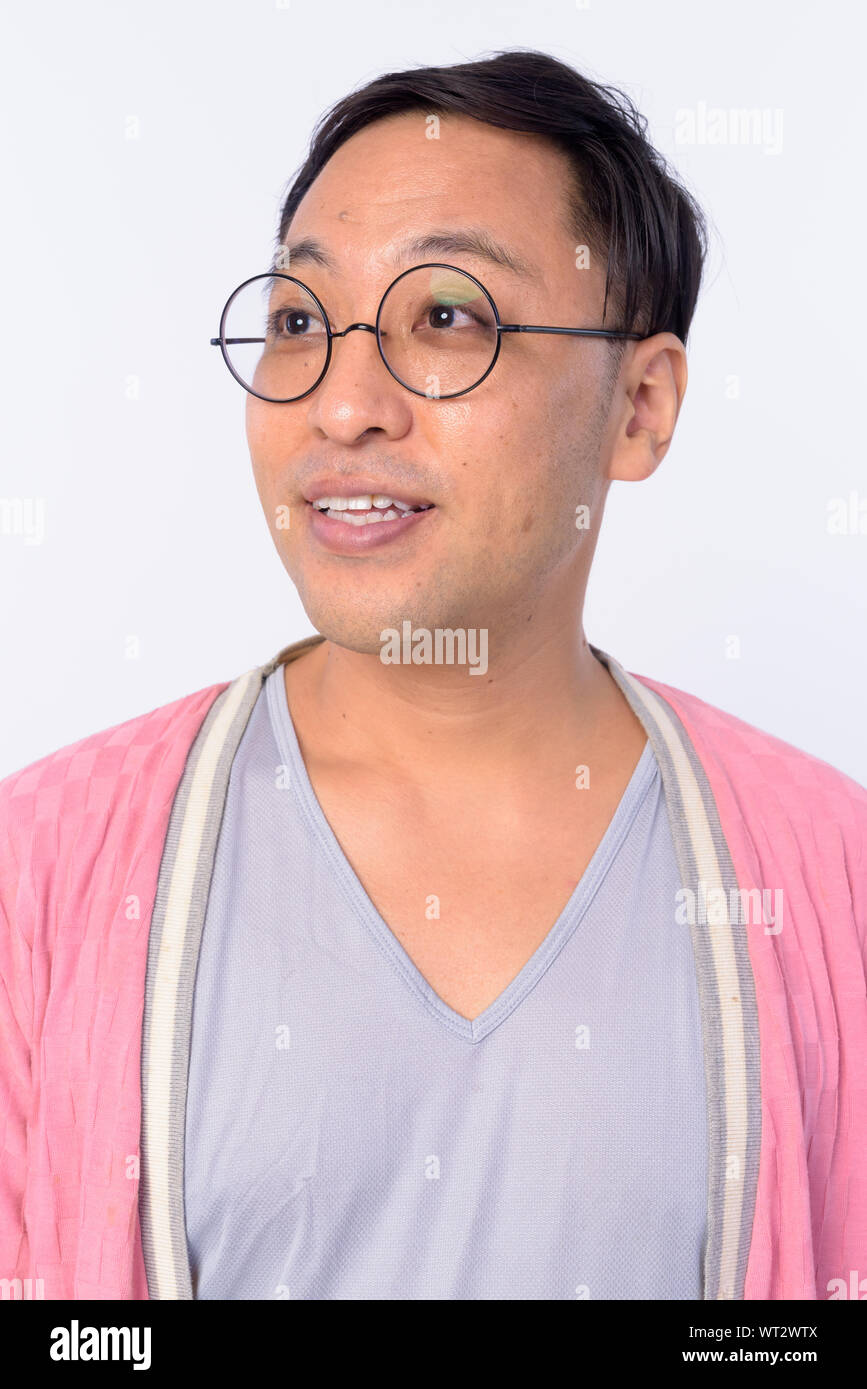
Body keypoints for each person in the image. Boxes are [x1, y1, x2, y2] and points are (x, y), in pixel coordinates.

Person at [1, 49, 864, 1304]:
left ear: (640, 406)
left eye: (448, 316)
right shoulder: (44, 872)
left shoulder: (826, 881)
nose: (343, 405)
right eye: (301, 321)